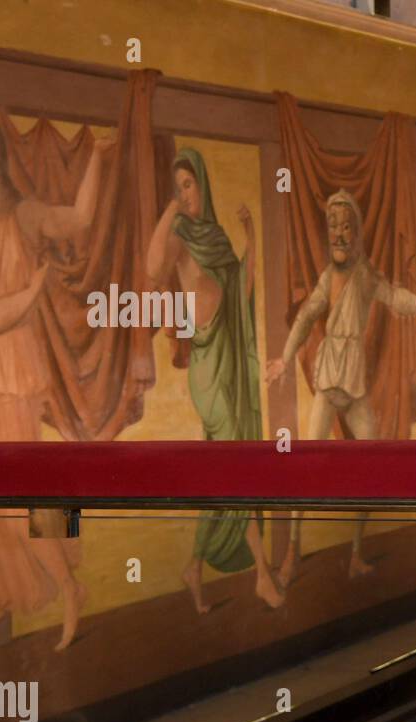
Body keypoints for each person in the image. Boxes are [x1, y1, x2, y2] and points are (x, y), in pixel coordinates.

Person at [0, 118, 110, 652]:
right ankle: (69, 583)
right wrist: (37, 285)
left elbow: (79, 218)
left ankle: (69, 585)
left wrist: (98, 156)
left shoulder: (27, 216)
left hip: (19, 379)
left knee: (11, 507)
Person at [147, 147, 283, 612]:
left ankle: (207, 567)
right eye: (178, 186)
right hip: (209, 370)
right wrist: (168, 210)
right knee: (236, 468)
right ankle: (259, 574)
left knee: (232, 472)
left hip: (230, 363)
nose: (184, 193)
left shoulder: (217, 237)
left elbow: (241, 295)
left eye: (189, 185)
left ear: (203, 185)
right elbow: (150, 270)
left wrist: (249, 236)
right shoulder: (183, 235)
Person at [265, 189, 416, 582]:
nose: (339, 234)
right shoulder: (326, 278)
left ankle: (355, 552)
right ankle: (292, 554)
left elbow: (395, 298)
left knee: (371, 464)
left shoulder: (366, 275)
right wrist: (285, 359)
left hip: (353, 388)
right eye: (333, 226)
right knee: (304, 469)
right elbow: (304, 319)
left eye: (346, 227)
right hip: (328, 384)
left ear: (356, 233)